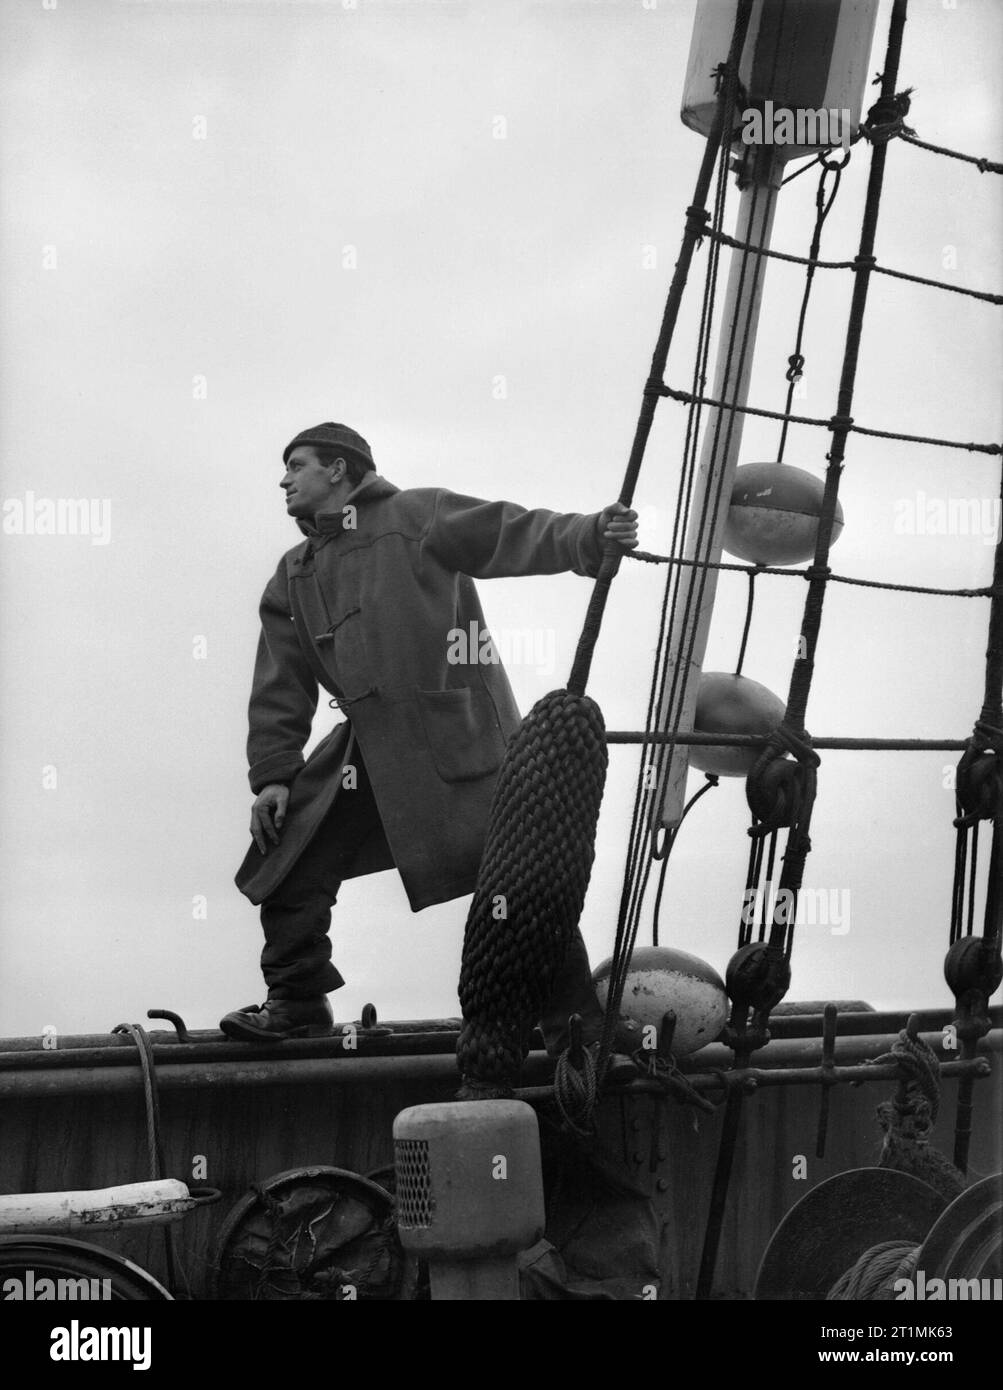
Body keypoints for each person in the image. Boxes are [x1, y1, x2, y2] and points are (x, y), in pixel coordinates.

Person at [220, 422, 639, 1047]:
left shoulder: (416, 515)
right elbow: (279, 686)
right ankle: (298, 1001)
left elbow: (508, 532)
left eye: (297, 465)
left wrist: (588, 534)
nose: (284, 479)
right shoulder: (293, 575)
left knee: (520, 877)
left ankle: (574, 1026)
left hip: (457, 740)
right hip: (364, 751)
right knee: (287, 859)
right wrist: (275, 775)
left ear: (338, 470)